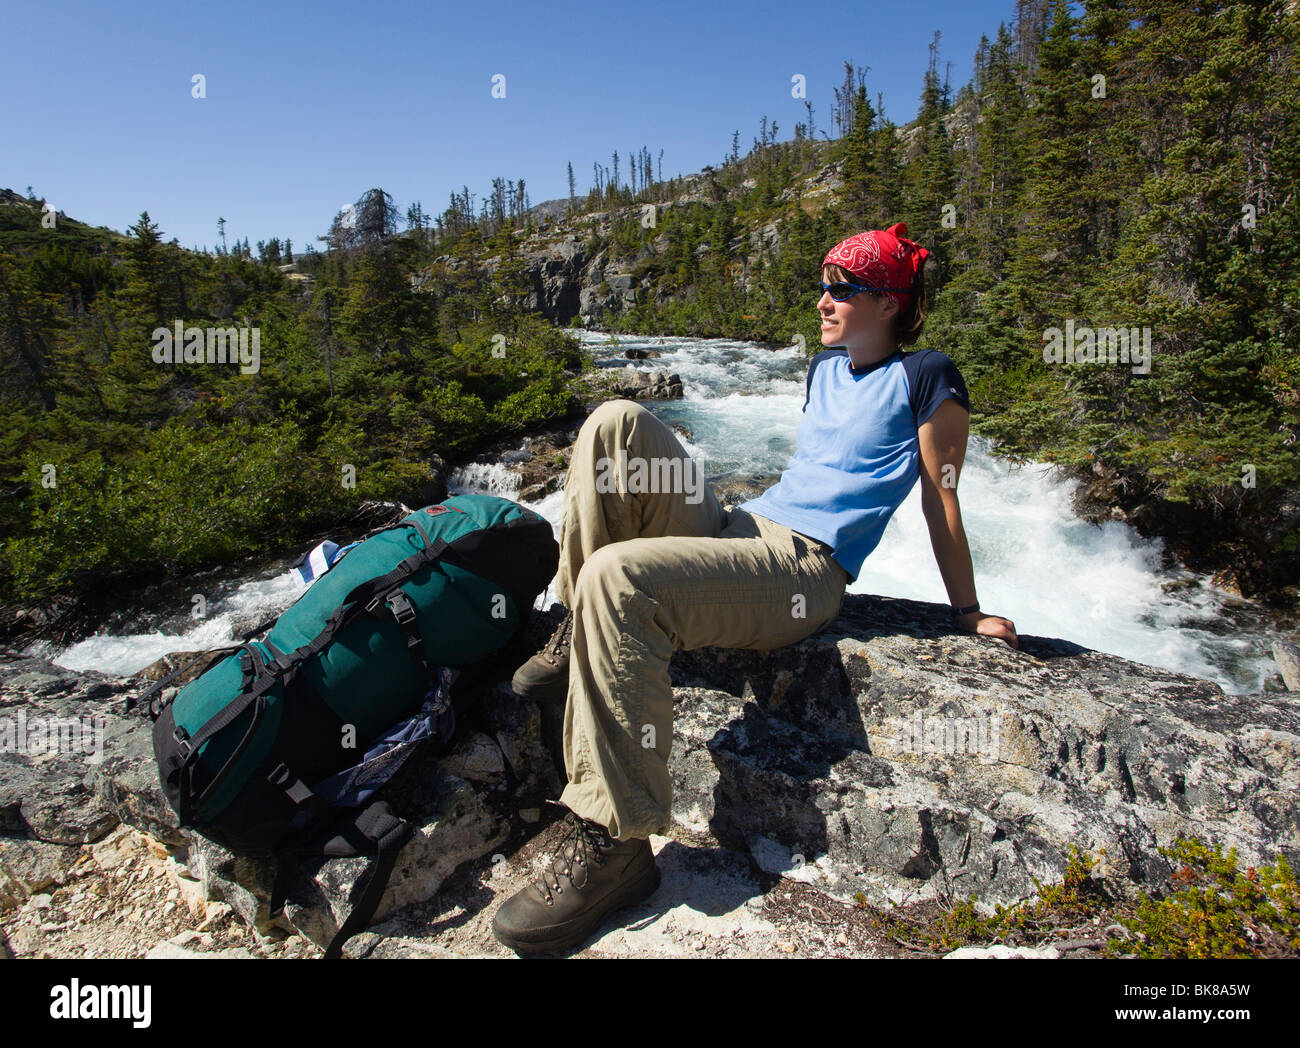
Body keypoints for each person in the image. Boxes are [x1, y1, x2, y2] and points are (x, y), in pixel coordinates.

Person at [491, 222, 1019, 955]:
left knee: (623, 576)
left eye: (844, 287)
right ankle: (578, 623)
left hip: (804, 569)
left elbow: (943, 496)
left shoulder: (928, 376)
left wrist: (967, 613)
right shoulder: (821, 369)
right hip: (742, 525)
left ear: (893, 304)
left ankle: (617, 843)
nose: (824, 299)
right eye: (824, 283)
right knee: (615, 424)